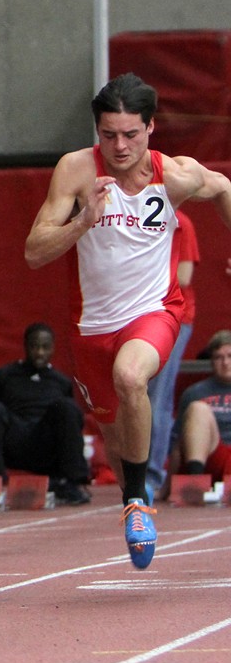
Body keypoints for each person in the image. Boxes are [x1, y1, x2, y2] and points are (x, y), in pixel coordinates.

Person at [25, 73, 231, 568]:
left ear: (150, 128)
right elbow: (34, 252)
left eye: (131, 135)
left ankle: (139, 503)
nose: (119, 146)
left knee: (131, 376)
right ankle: (131, 495)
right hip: (93, 326)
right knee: (116, 437)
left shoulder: (174, 175)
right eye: (109, 134)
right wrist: (82, 221)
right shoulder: (76, 170)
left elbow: (224, 187)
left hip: (155, 311)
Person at [0, 323, 91, 505]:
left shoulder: (61, 381)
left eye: (45, 347)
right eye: (34, 346)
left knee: (68, 407)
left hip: (46, 444)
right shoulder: (3, 376)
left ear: (53, 349)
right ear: (25, 346)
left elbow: (72, 425)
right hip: (14, 442)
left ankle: (72, 483)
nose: (39, 352)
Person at [146, 209, 198, 495]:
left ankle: (153, 475)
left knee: (158, 398)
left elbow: (184, 276)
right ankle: (139, 469)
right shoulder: (133, 217)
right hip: (137, 316)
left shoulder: (181, 222)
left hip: (172, 316)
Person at [169, 329, 231, 487]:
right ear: (211, 361)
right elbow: (178, 441)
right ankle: (194, 483)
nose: (225, 363)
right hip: (211, 455)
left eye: (230, 356)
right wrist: (168, 486)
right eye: (218, 357)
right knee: (198, 408)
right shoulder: (195, 392)